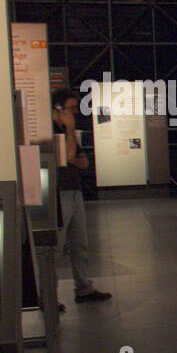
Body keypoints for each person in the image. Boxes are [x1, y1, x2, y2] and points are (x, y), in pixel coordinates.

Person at [51, 87, 112, 304]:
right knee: (56, 246)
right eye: (71, 108)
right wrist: (69, 131)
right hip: (58, 193)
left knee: (80, 243)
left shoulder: (66, 132)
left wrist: (70, 156)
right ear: (58, 108)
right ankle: (48, 296)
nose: (75, 112)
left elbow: (82, 161)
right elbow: (69, 156)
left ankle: (84, 288)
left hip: (74, 191)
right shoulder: (54, 131)